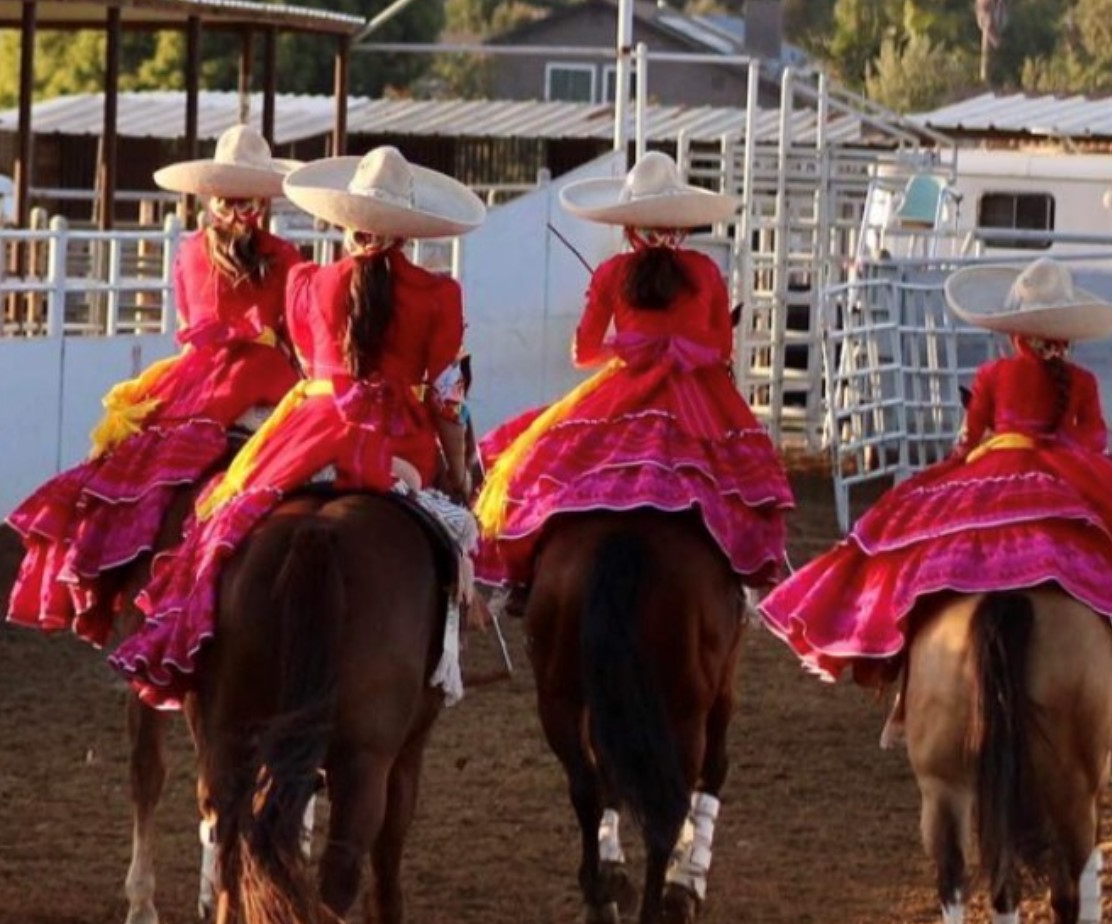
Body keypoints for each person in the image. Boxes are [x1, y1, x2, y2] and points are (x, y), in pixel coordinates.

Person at [111, 146, 485, 708]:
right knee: (452, 529)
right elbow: (448, 400)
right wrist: (456, 469)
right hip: (397, 439)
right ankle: (451, 641)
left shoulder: (307, 281)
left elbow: (309, 367)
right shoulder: (438, 294)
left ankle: (190, 622)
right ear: (406, 228)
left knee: (222, 514)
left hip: (309, 431)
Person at [760, 259, 1112, 742]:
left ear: (1013, 330)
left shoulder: (992, 373)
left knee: (927, 562)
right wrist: (1063, 457)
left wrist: (966, 459)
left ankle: (907, 695)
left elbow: (967, 442)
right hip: (1061, 474)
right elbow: (1093, 441)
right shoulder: (1085, 384)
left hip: (994, 467)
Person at [7, 125, 302, 645]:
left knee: (125, 467)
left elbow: (191, 322)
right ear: (263, 199)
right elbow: (296, 334)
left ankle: (117, 584)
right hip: (268, 379)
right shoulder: (288, 257)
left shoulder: (190, 250)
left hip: (197, 380)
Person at [474, 150, 793, 607]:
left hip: (622, 387)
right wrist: (675, 344)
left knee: (548, 471)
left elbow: (582, 352)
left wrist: (625, 349)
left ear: (628, 226)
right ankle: (753, 580)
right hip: (697, 398)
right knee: (737, 485)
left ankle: (522, 583)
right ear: (681, 224)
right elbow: (721, 350)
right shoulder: (705, 272)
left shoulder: (611, 273)